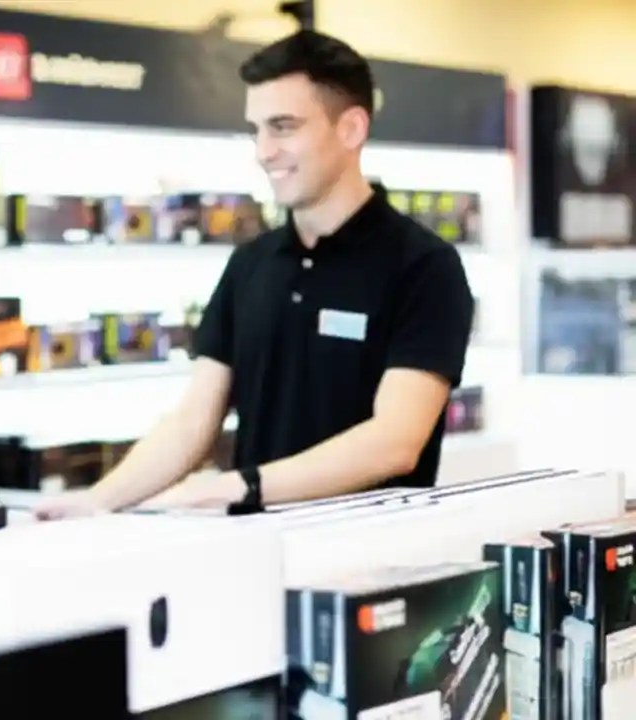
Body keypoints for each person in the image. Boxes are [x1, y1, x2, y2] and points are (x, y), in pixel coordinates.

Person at [37, 30, 474, 519]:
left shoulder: (423, 266)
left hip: (369, 566)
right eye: (257, 129)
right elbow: (192, 424)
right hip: (252, 556)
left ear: (351, 128)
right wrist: (96, 502)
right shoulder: (250, 265)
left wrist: (242, 486)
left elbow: (394, 442)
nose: (263, 151)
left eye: (283, 127)